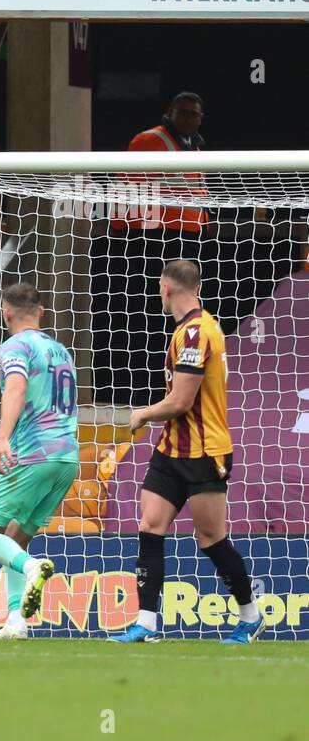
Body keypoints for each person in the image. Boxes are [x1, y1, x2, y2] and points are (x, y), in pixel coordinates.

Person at [111, 260, 262, 645]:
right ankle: (145, 622)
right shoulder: (188, 330)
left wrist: (143, 413)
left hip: (205, 451)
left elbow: (180, 401)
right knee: (150, 525)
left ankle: (250, 614)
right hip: (171, 449)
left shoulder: (197, 332)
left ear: (166, 288)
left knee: (211, 537)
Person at [0, 283, 75, 640]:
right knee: (16, 538)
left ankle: (32, 569)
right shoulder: (60, 351)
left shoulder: (15, 345)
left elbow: (15, 387)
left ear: (6, 312)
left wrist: (1, 441)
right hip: (67, 458)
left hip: (32, 453)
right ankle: (16, 620)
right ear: (41, 311)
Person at [93, 91, 210, 408]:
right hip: (155, 239)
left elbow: (196, 187)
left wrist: (204, 224)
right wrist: (119, 230)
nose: (188, 119)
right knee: (153, 315)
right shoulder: (147, 141)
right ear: (170, 112)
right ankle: (149, 391)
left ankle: (182, 387)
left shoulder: (195, 145)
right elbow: (125, 186)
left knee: (185, 315)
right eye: (183, 112)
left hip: (188, 237)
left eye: (194, 114)